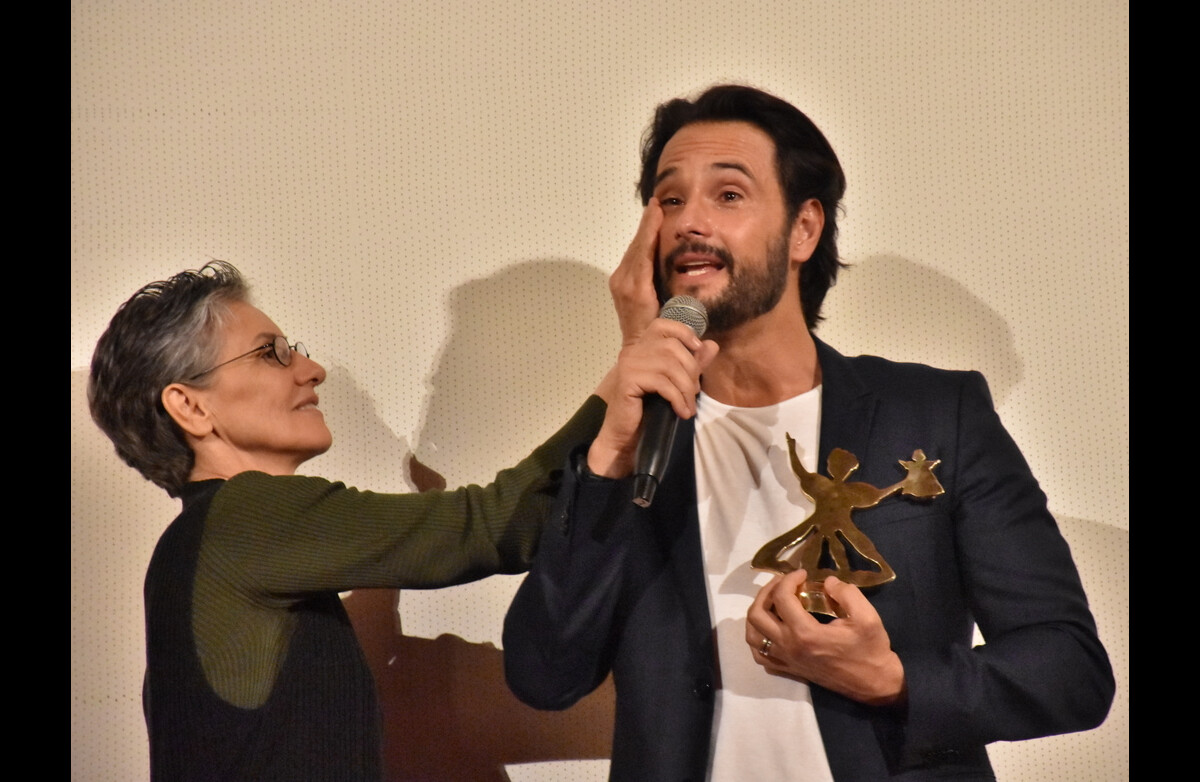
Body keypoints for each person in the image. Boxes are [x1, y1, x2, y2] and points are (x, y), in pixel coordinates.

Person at [502, 85, 1114, 780]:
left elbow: (1070, 669)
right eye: (669, 200)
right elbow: (544, 677)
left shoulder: (939, 413)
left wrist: (890, 677)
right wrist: (612, 449)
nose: (688, 222)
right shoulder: (636, 440)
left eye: (727, 195)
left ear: (804, 229)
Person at [87, 260, 678, 781]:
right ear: (190, 405)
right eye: (273, 353)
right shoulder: (242, 519)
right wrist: (629, 374)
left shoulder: (208, 546)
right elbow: (496, 524)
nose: (311, 369)